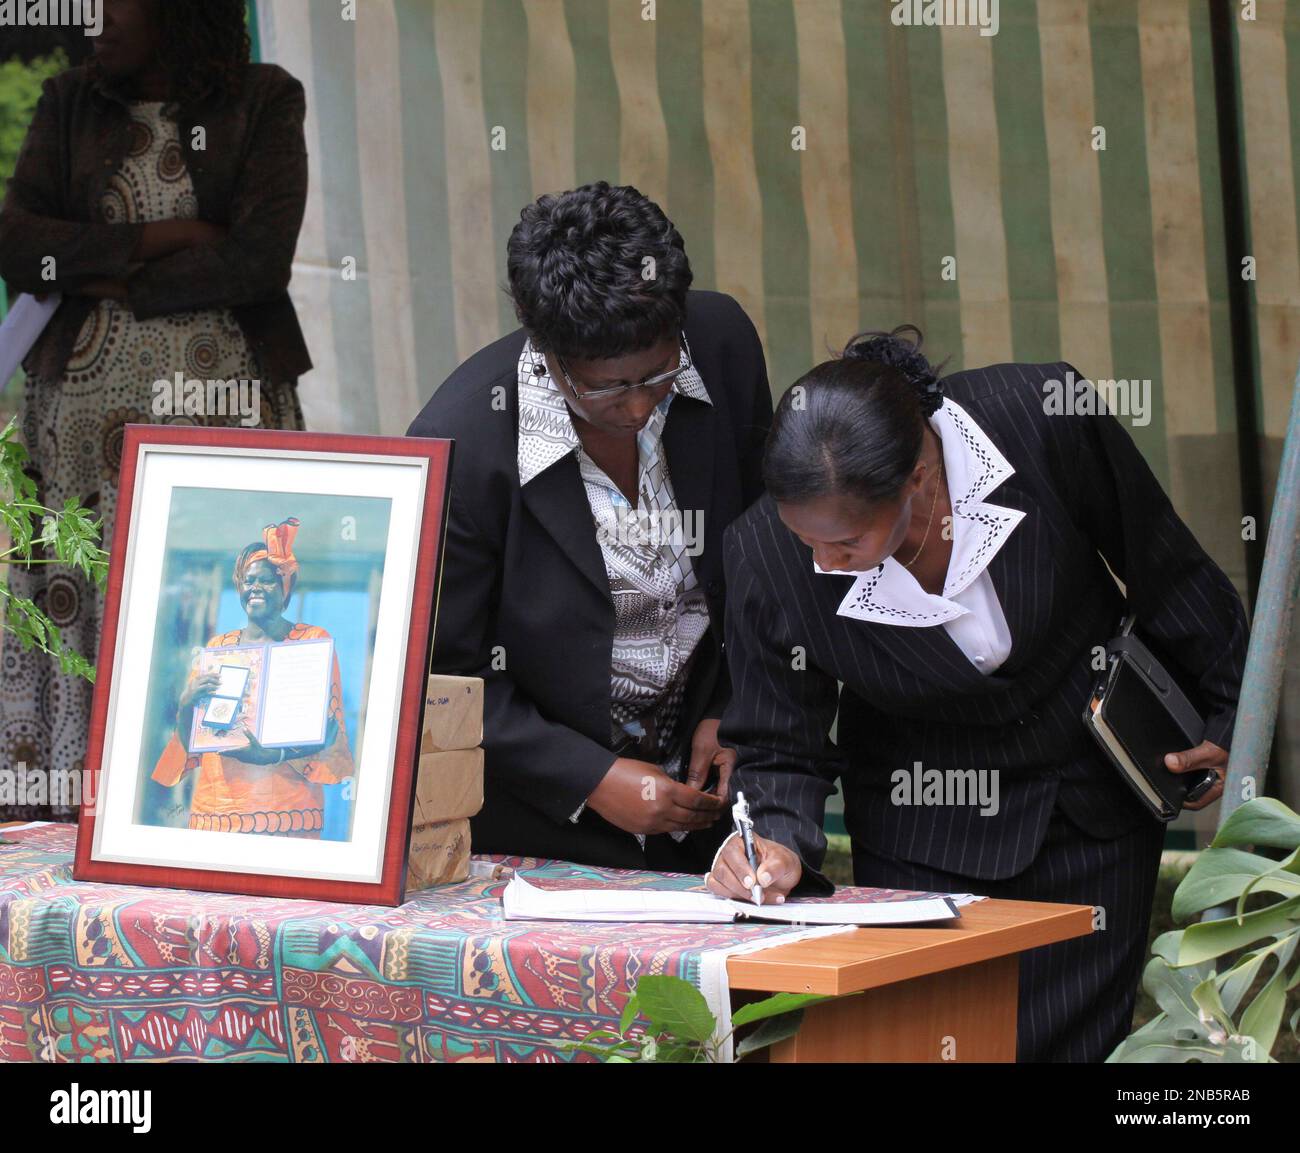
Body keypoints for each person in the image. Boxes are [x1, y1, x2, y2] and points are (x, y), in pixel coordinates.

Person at [707, 327, 1248, 1062]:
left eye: (843, 544)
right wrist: (772, 840)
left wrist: (1226, 708)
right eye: (805, 537)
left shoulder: (1040, 416)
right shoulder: (765, 556)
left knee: (1083, 1047)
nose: (820, 560)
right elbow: (780, 739)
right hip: (925, 838)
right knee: (941, 1046)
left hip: (1091, 803)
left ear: (920, 481)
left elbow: (1160, 560)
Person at [0, 0, 312, 822]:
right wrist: (166, 238)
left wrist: (99, 274)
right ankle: (71, 797)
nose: (92, 18)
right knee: (83, 591)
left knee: (210, 588)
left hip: (223, 417)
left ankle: (215, 800)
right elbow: (15, 241)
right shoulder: (71, 100)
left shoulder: (264, 98)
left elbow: (255, 261)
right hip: (76, 431)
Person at [407, 181, 773, 871]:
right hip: (541, 827)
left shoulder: (722, 346)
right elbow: (444, 675)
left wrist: (733, 707)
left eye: (659, 374)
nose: (638, 409)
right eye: (604, 388)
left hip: (713, 807)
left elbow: (766, 554)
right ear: (545, 351)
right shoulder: (463, 445)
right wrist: (590, 778)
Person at [152, 518, 354, 839]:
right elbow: (192, 738)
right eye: (248, 581)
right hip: (215, 815)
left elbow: (327, 731)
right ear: (239, 588)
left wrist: (270, 756)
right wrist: (187, 704)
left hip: (288, 815)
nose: (256, 587)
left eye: (267, 581)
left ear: (285, 587)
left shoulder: (311, 641)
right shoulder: (218, 648)